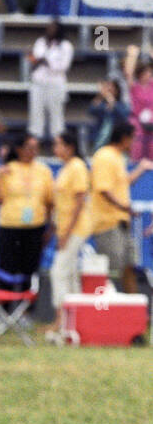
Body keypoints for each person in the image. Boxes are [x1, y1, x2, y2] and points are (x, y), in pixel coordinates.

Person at [88, 121, 151, 295]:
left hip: (121, 223)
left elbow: (122, 184)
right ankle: (106, 310)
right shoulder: (104, 156)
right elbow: (104, 190)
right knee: (111, 270)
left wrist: (140, 169)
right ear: (124, 138)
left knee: (129, 267)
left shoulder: (117, 157)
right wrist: (126, 207)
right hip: (107, 223)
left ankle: (134, 312)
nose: (134, 144)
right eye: (133, 139)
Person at [42, 131, 90, 344]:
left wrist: (67, 232)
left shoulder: (78, 167)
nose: (55, 149)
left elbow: (80, 202)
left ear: (70, 147)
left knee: (58, 272)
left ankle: (61, 319)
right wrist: (55, 229)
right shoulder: (66, 168)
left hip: (76, 229)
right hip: (65, 228)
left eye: (58, 144)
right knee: (69, 274)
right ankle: (76, 320)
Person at [0, 133, 53, 291]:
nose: (33, 152)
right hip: (10, 226)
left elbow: (50, 202)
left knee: (31, 269)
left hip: (35, 226)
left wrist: (50, 228)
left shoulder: (44, 171)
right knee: (6, 267)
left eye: (36, 148)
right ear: (18, 149)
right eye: (29, 148)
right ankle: (5, 310)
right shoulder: (7, 169)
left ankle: (27, 310)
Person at [28, 20, 72, 141]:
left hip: (55, 84)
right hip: (38, 82)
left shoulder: (66, 46)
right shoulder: (40, 42)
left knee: (56, 116)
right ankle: (35, 142)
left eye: (53, 28)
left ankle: (58, 143)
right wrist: (38, 60)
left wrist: (47, 62)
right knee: (36, 114)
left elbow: (64, 66)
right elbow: (34, 58)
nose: (50, 30)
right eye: (49, 28)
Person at [122, 45, 153, 163]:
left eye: (150, 73)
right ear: (140, 74)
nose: (148, 75)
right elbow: (128, 73)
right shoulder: (135, 87)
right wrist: (132, 55)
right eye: (145, 73)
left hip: (152, 123)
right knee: (136, 150)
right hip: (138, 123)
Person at [87, 76, 129, 154]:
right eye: (107, 87)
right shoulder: (102, 103)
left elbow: (123, 116)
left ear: (117, 90)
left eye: (112, 87)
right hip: (101, 137)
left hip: (116, 138)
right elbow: (91, 110)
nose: (109, 90)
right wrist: (100, 95)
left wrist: (111, 101)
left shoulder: (122, 104)